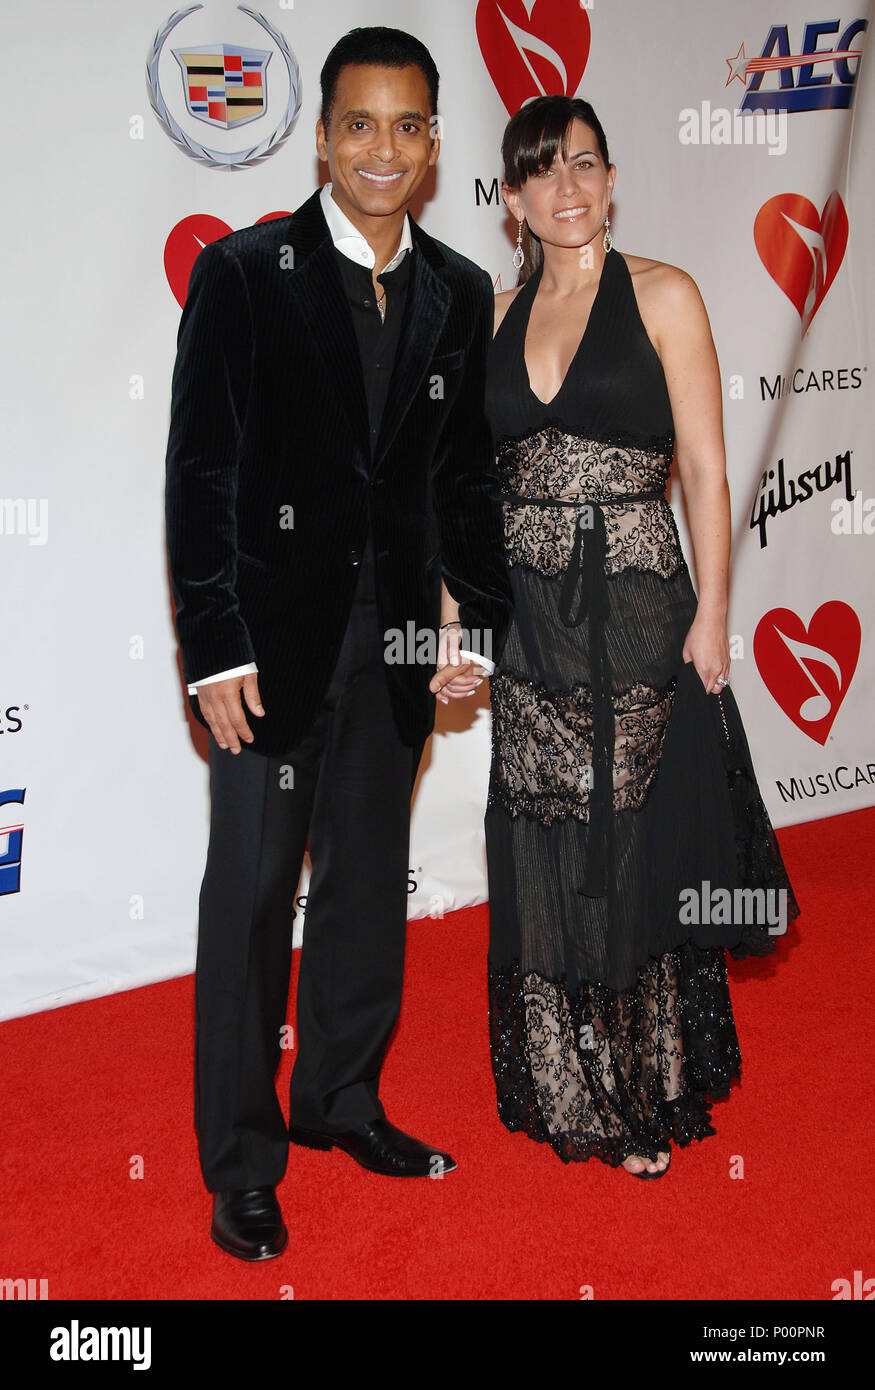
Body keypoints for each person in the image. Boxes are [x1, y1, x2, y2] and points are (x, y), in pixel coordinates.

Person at [165, 26, 511, 1260]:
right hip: (268, 650)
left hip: (401, 645)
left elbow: (462, 478)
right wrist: (211, 644)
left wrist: (477, 615)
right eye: (358, 123)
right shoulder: (246, 272)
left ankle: (341, 1101)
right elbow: (200, 469)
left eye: (407, 126)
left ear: (430, 144)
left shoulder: (460, 292)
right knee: (252, 897)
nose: (382, 148)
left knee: (367, 885)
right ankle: (242, 1161)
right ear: (320, 135)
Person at [438, 94, 798, 1178]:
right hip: (530, 624)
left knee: (623, 840)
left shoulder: (663, 294)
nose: (567, 188)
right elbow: (462, 496)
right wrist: (455, 624)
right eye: (541, 172)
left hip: (639, 604)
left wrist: (715, 615)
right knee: (542, 835)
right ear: (510, 199)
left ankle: (642, 1081)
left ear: (611, 176)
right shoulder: (490, 318)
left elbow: (703, 469)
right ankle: (566, 1077)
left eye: (584, 163)